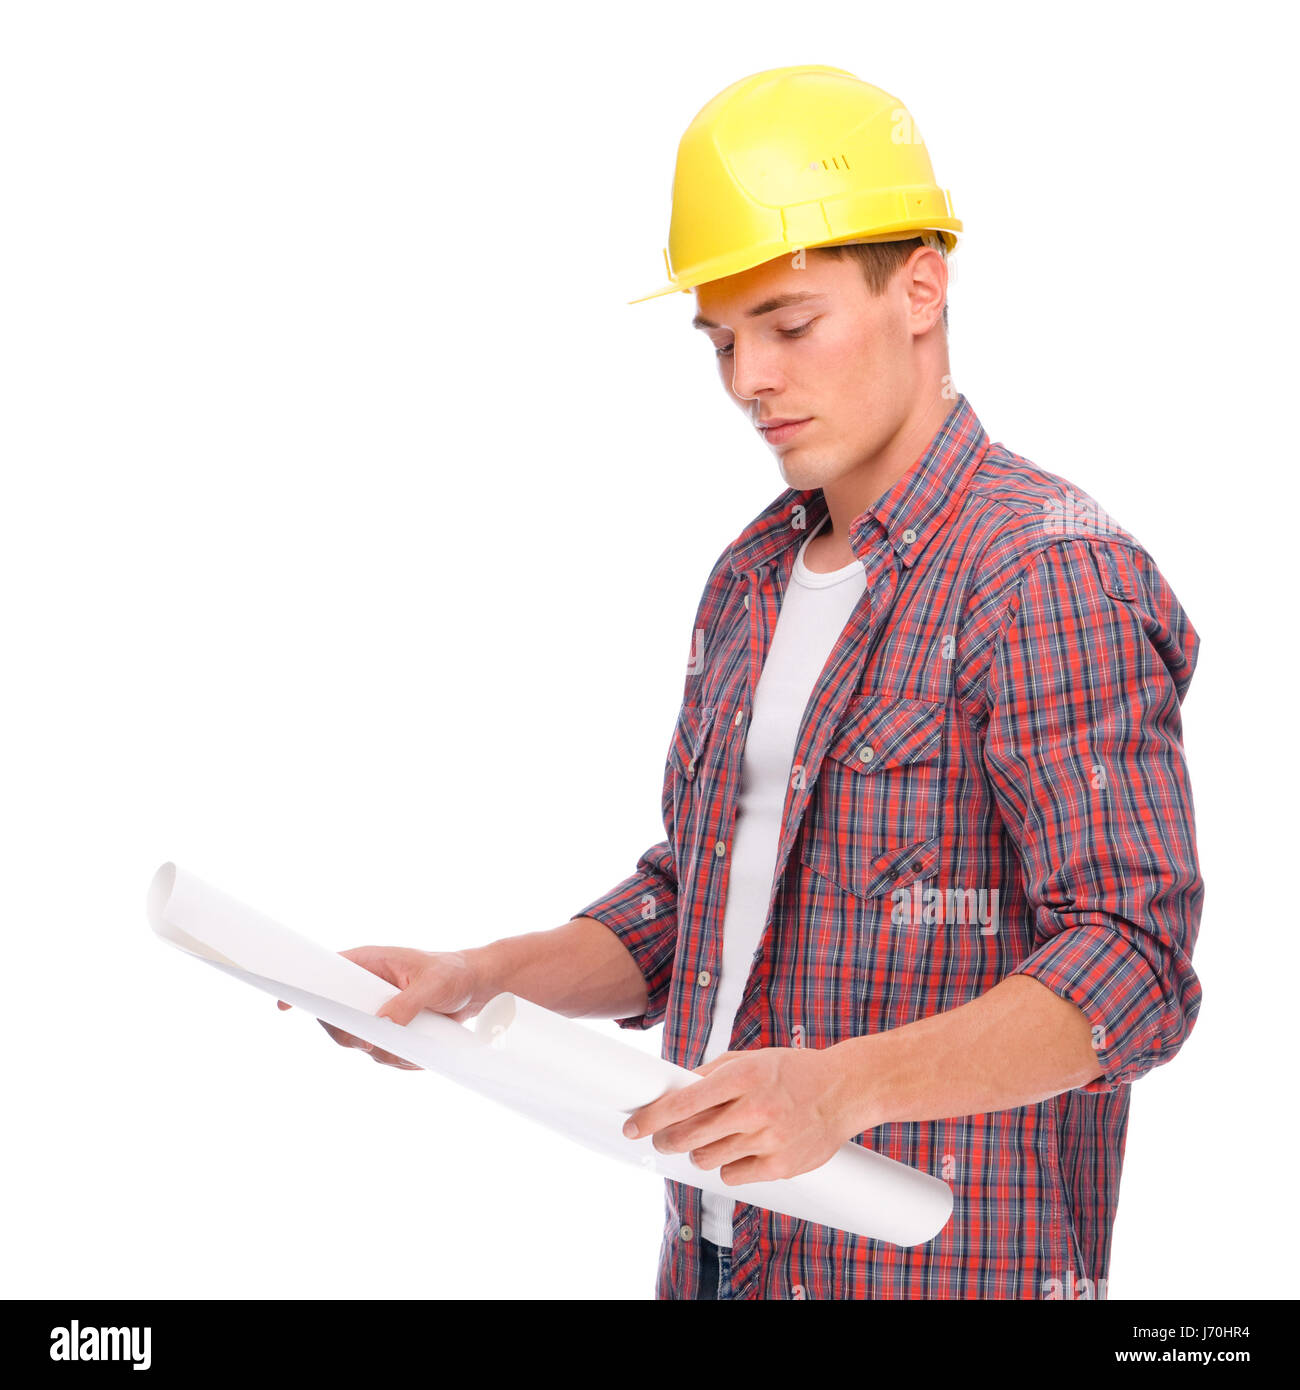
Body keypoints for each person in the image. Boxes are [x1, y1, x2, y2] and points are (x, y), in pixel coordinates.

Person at [281, 65, 1204, 1300]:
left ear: (922, 283)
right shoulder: (754, 577)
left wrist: (843, 1086)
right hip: (724, 1259)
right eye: (721, 339)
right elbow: (698, 899)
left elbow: (1131, 964)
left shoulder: (1045, 575)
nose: (746, 380)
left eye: (788, 322)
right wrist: (482, 977)